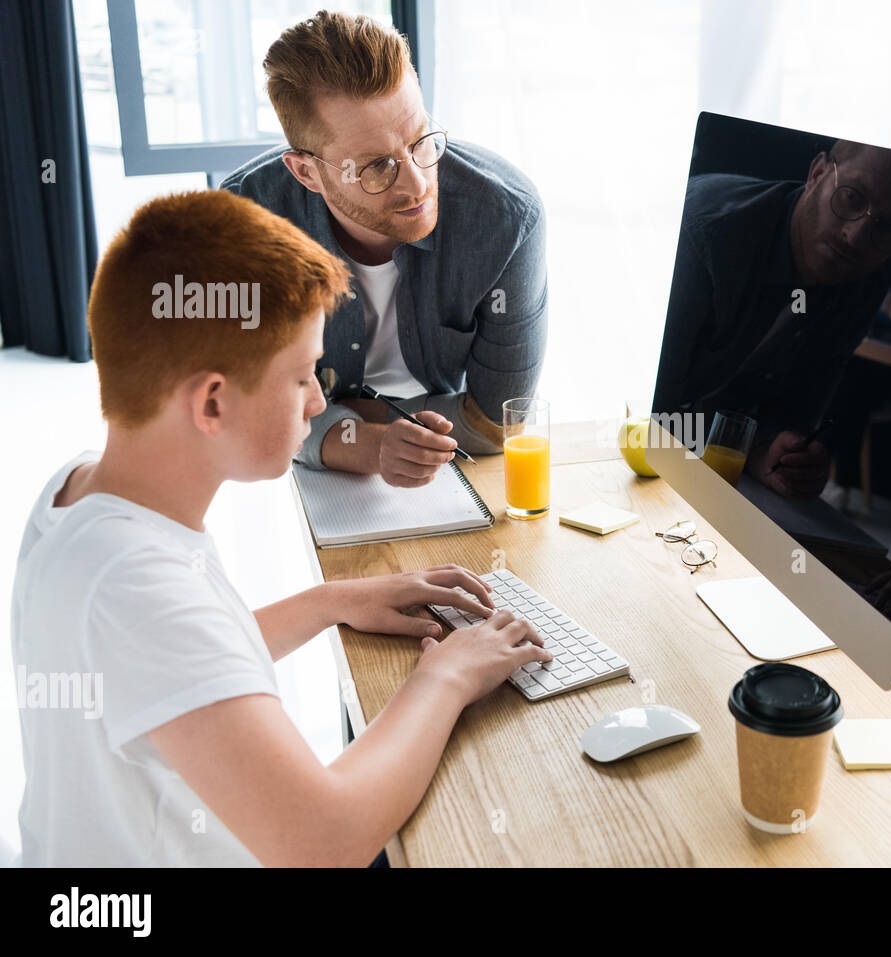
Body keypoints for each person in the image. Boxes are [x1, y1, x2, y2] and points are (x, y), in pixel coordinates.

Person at [11, 190, 552, 866]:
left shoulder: (86, 490)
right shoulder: (135, 587)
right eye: (300, 378)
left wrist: (336, 600)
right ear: (212, 402)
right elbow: (325, 841)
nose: (321, 401)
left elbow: (184, 663)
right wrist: (445, 676)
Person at [223, 11, 546, 488]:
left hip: (442, 481)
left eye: (421, 140)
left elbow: (499, 421)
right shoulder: (243, 223)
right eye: (376, 166)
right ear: (306, 173)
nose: (418, 184)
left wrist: (334, 419)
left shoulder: (505, 215)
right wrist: (371, 445)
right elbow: (251, 420)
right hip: (282, 486)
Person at [654, 140, 891, 499]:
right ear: (817, 174)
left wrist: (776, 455)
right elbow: (651, 413)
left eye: (886, 228)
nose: (854, 237)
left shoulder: (863, 290)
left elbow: (792, 416)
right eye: (852, 197)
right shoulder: (706, 234)